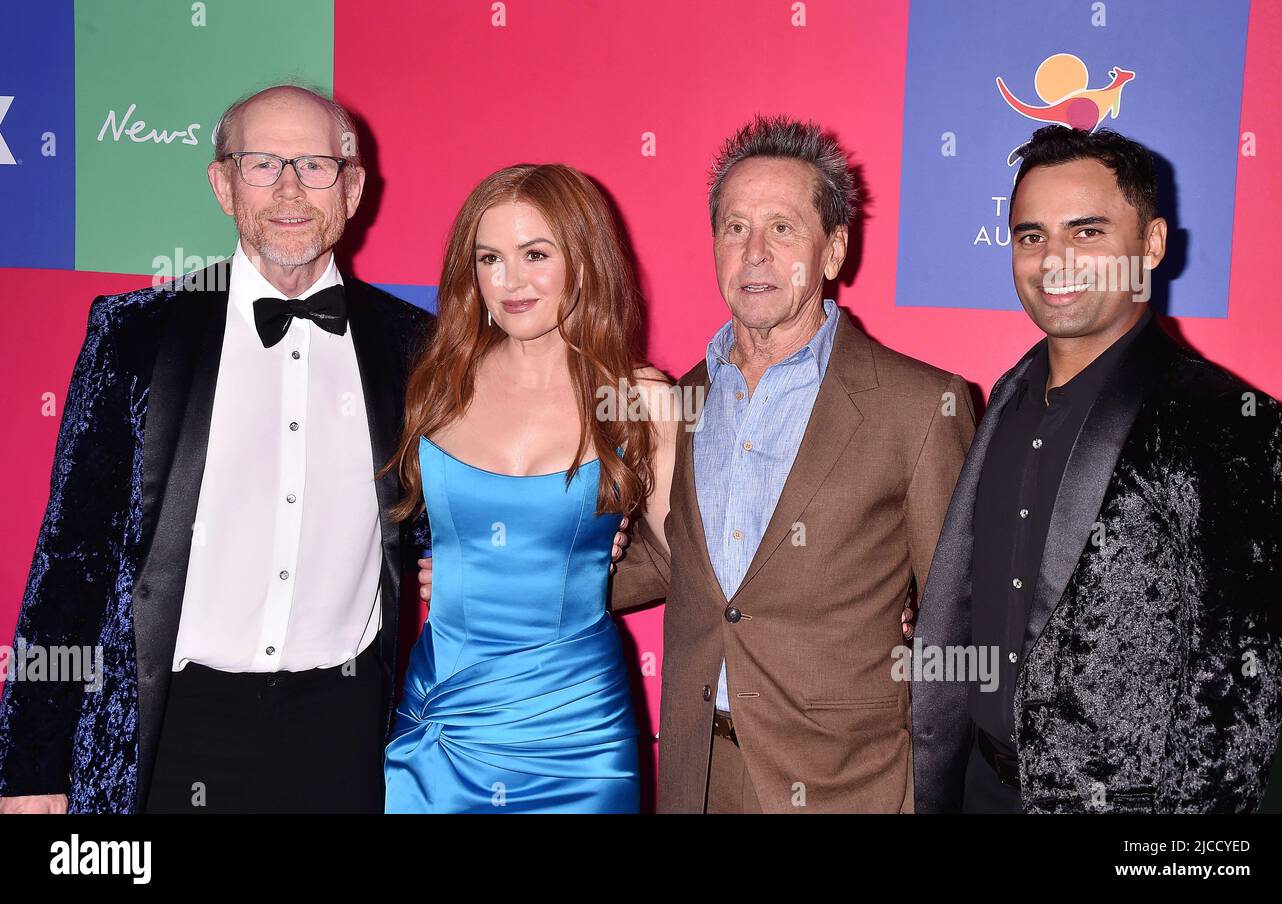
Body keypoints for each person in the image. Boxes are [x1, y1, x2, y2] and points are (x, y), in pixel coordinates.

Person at [0, 85, 434, 814]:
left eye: (315, 165)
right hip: (173, 726)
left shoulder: (416, 347)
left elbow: (443, 523)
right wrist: (30, 763)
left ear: (353, 188)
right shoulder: (136, 334)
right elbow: (69, 556)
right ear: (222, 184)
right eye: (262, 164)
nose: (290, 189)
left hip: (345, 732)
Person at [912, 126, 1282, 813]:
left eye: (1086, 232)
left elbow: (1240, 708)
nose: (1053, 259)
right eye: (1031, 236)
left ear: (1150, 244)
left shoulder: (1228, 423)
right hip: (976, 788)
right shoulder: (1004, 397)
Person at [604, 115, 976, 812]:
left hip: (847, 788)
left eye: (783, 227)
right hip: (697, 777)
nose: (754, 253)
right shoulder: (678, 402)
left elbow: (957, 626)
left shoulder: (923, 407)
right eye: (735, 228)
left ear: (834, 249)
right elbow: (669, 565)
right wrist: (516, 574)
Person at [385, 163, 676, 813]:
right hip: (443, 728)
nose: (510, 280)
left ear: (584, 259)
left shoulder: (641, 400)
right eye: (490, 258)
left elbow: (702, 572)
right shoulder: (434, 386)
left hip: (580, 737)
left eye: (535, 254)